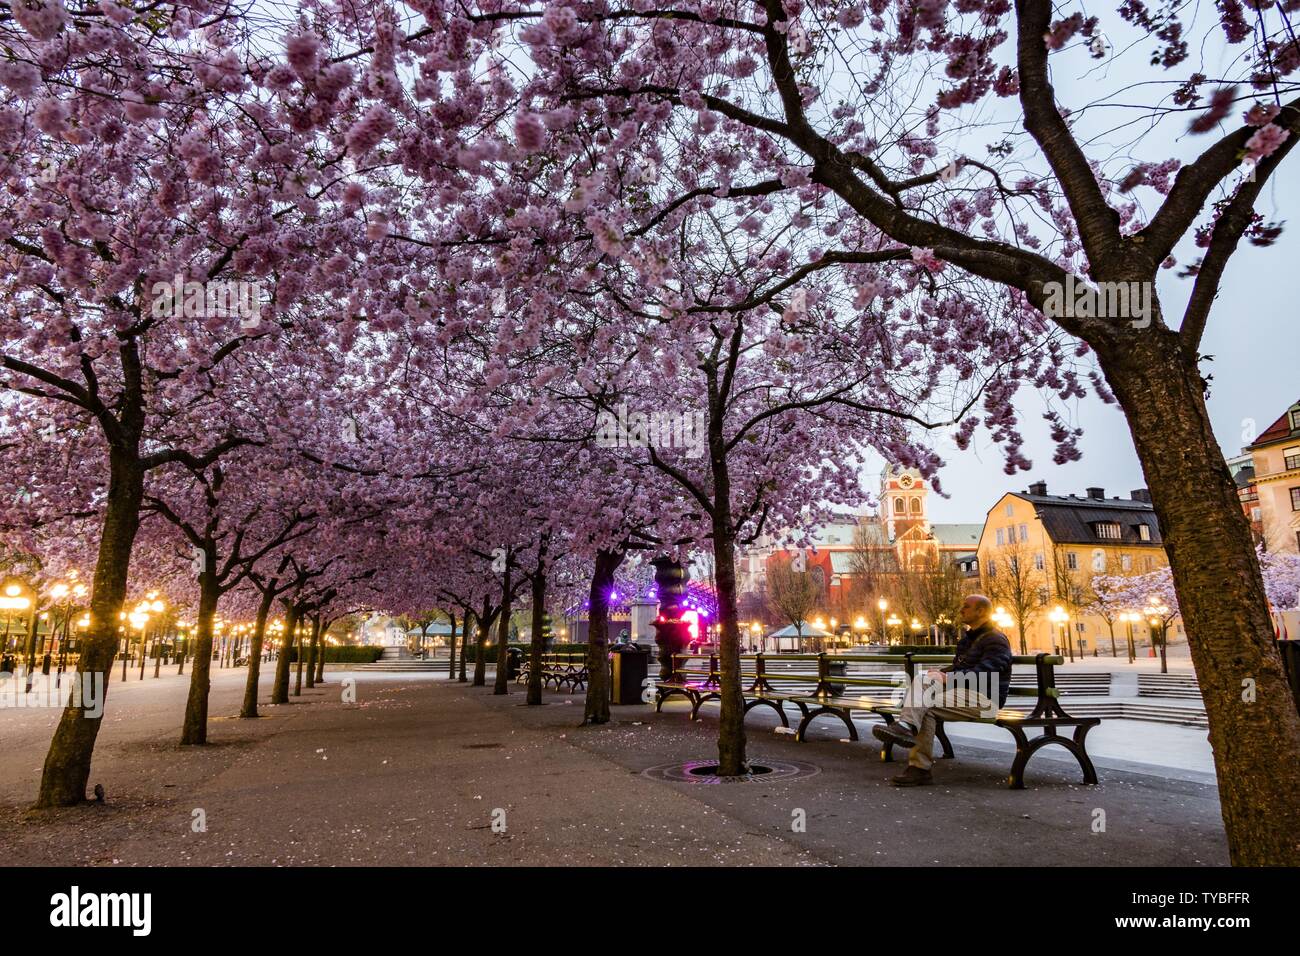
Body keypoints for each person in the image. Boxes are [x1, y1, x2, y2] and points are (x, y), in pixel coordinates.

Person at [872, 594, 1013, 786]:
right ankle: (913, 751)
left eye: (966, 606)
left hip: (985, 697)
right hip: (964, 693)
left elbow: (989, 671)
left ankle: (916, 757)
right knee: (923, 688)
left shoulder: (996, 639)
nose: (961, 610)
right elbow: (960, 667)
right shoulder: (967, 640)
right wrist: (941, 672)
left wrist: (948, 678)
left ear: (980, 611)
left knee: (924, 706)